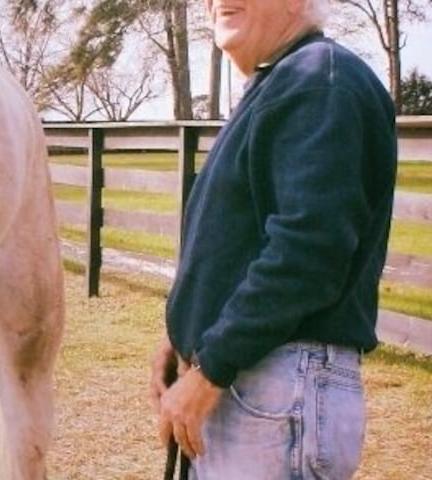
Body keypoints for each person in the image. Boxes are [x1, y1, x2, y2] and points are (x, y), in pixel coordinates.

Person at [148, 0, 397, 478]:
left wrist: (211, 368)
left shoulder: (319, 81)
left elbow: (308, 252)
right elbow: (240, 245)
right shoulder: (287, 81)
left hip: (278, 383)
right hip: (257, 380)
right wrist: (182, 333)